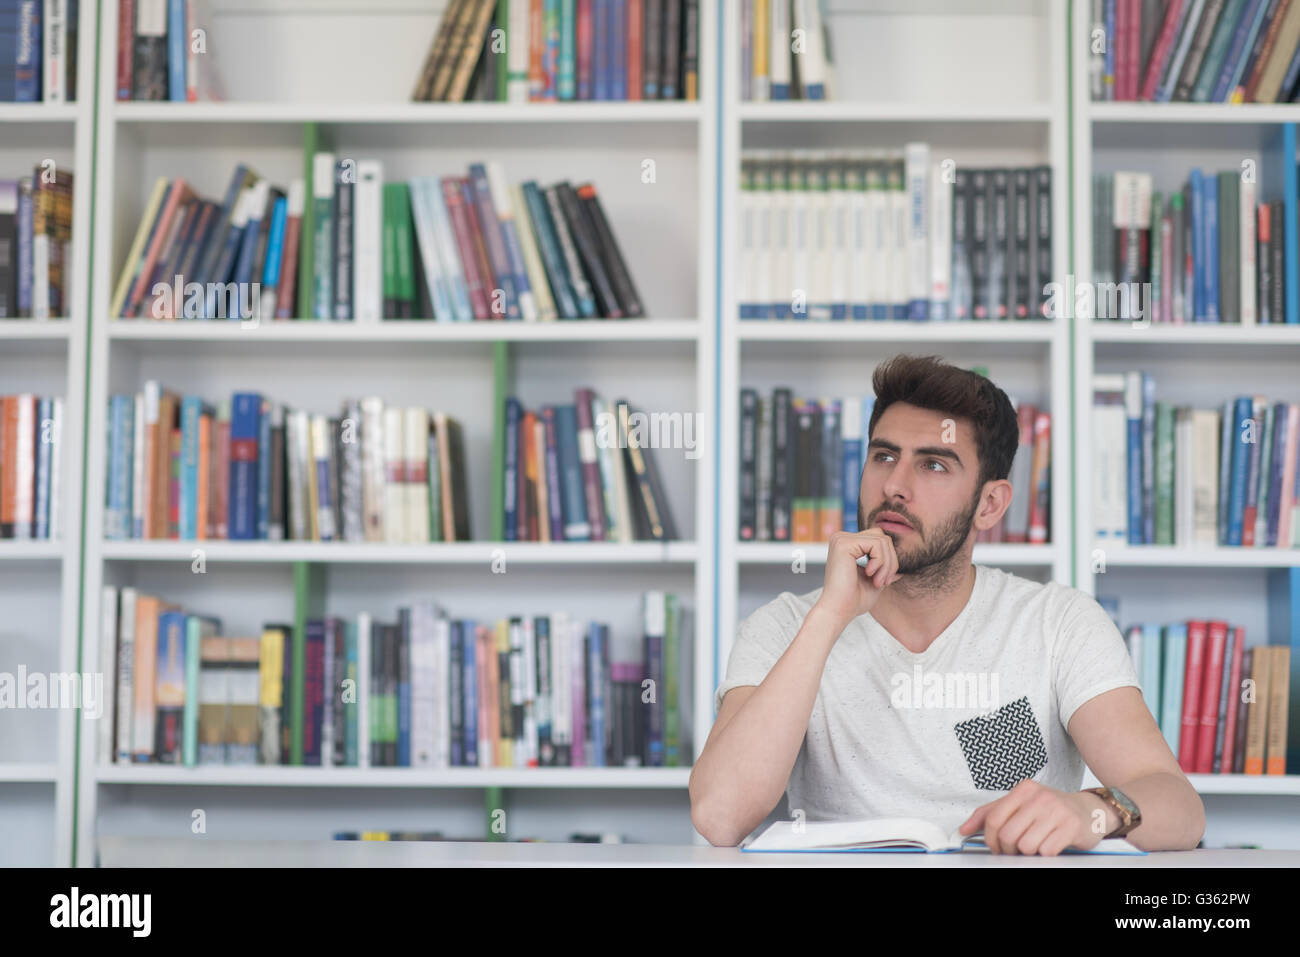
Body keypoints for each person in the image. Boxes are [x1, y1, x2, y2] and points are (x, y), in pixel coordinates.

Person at [690, 354, 1205, 854]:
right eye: (883, 456)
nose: (895, 486)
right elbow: (719, 816)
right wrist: (829, 617)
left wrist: (1094, 810)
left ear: (990, 504)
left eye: (933, 465)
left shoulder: (1060, 624)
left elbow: (1178, 806)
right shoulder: (784, 626)